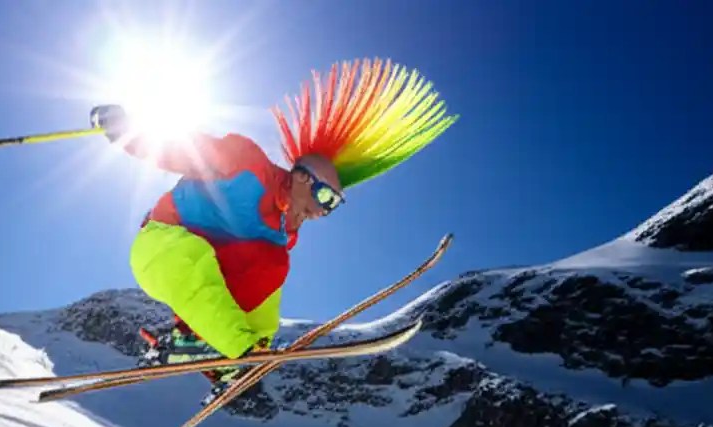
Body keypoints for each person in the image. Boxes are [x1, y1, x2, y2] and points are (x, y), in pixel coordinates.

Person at [91, 58, 457, 397]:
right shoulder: (247, 164)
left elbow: (255, 289)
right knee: (196, 255)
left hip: (199, 264)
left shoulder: (283, 233)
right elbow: (184, 149)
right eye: (326, 198)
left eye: (334, 206)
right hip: (160, 248)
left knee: (274, 263)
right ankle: (229, 348)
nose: (323, 212)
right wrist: (129, 131)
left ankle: (206, 352)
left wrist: (258, 349)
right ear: (300, 177)